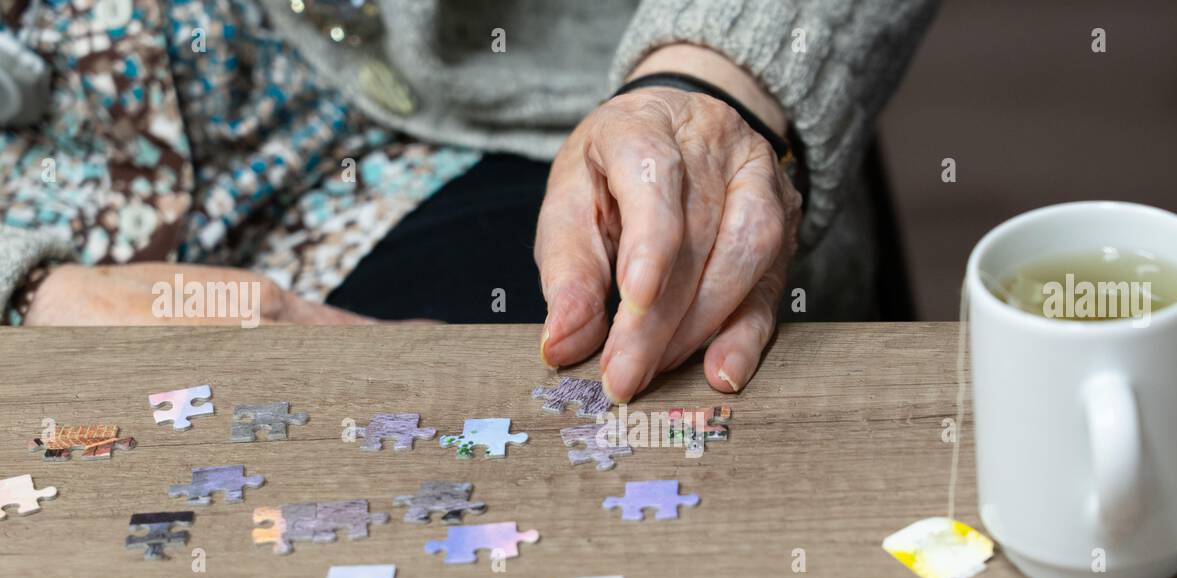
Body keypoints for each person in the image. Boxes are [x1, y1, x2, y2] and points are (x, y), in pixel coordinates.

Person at [0, 0, 935, 401]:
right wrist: (26, 294)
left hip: (479, 125)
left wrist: (717, 80)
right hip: (26, 263)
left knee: (618, 400)